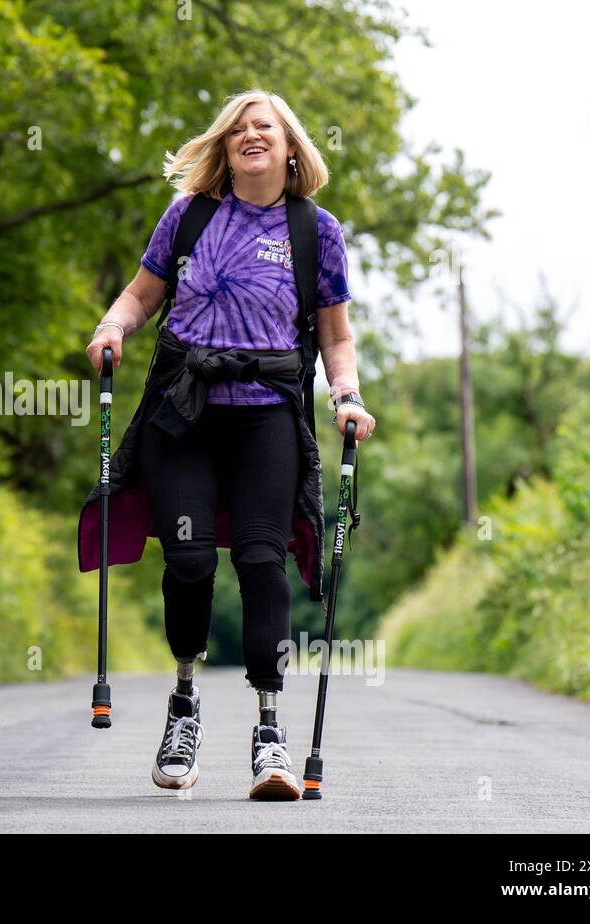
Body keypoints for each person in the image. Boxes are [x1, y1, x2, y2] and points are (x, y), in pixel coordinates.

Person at [82, 90, 376, 800]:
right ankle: (184, 701)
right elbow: (141, 294)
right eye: (239, 128)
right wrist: (112, 328)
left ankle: (269, 732)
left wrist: (348, 398)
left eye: (264, 128)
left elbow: (335, 335)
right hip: (184, 414)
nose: (251, 136)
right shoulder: (190, 216)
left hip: (266, 419)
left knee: (261, 564)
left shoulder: (316, 231)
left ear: (290, 147)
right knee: (186, 559)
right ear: (225, 145)